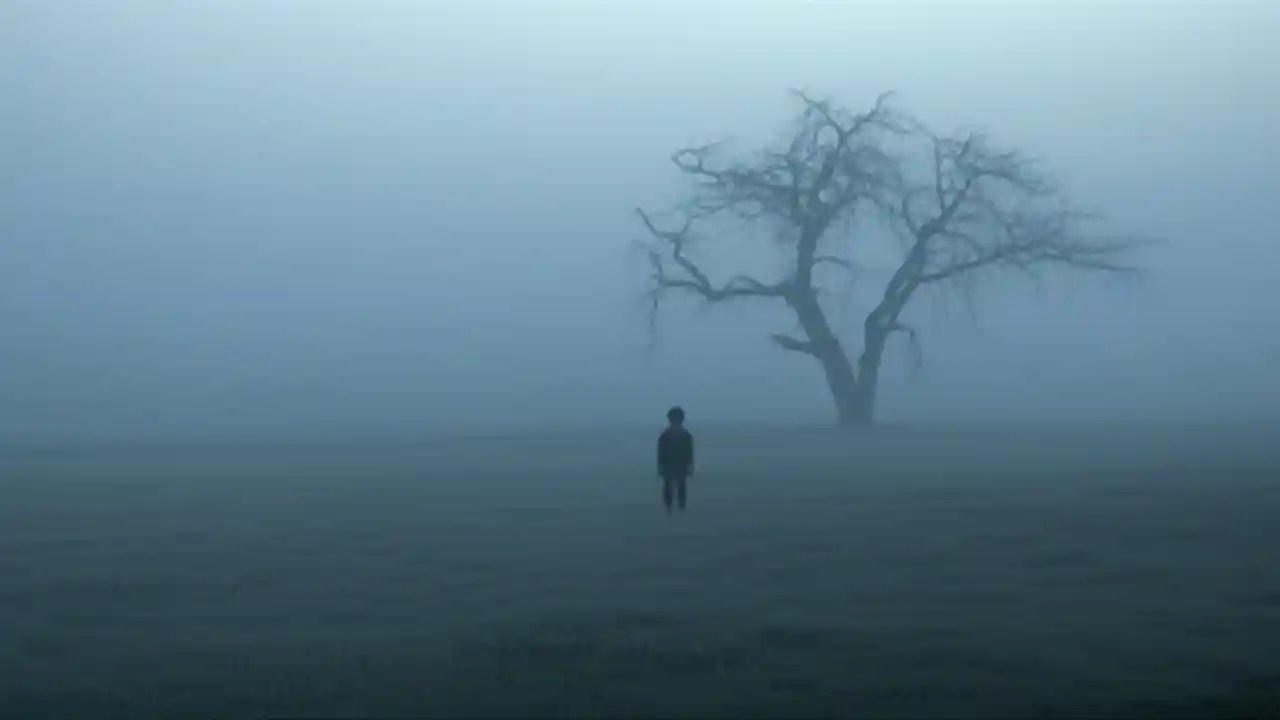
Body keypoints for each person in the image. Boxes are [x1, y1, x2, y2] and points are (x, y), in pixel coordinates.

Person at [657, 406, 694, 511]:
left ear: (669, 419)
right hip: (681, 463)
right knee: (681, 485)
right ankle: (681, 505)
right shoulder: (686, 435)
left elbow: (660, 452)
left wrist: (660, 465)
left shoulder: (665, 435)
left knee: (668, 485)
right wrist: (690, 465)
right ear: (682, 419)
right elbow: (689, 452)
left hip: (668, 463)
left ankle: (669, 506)